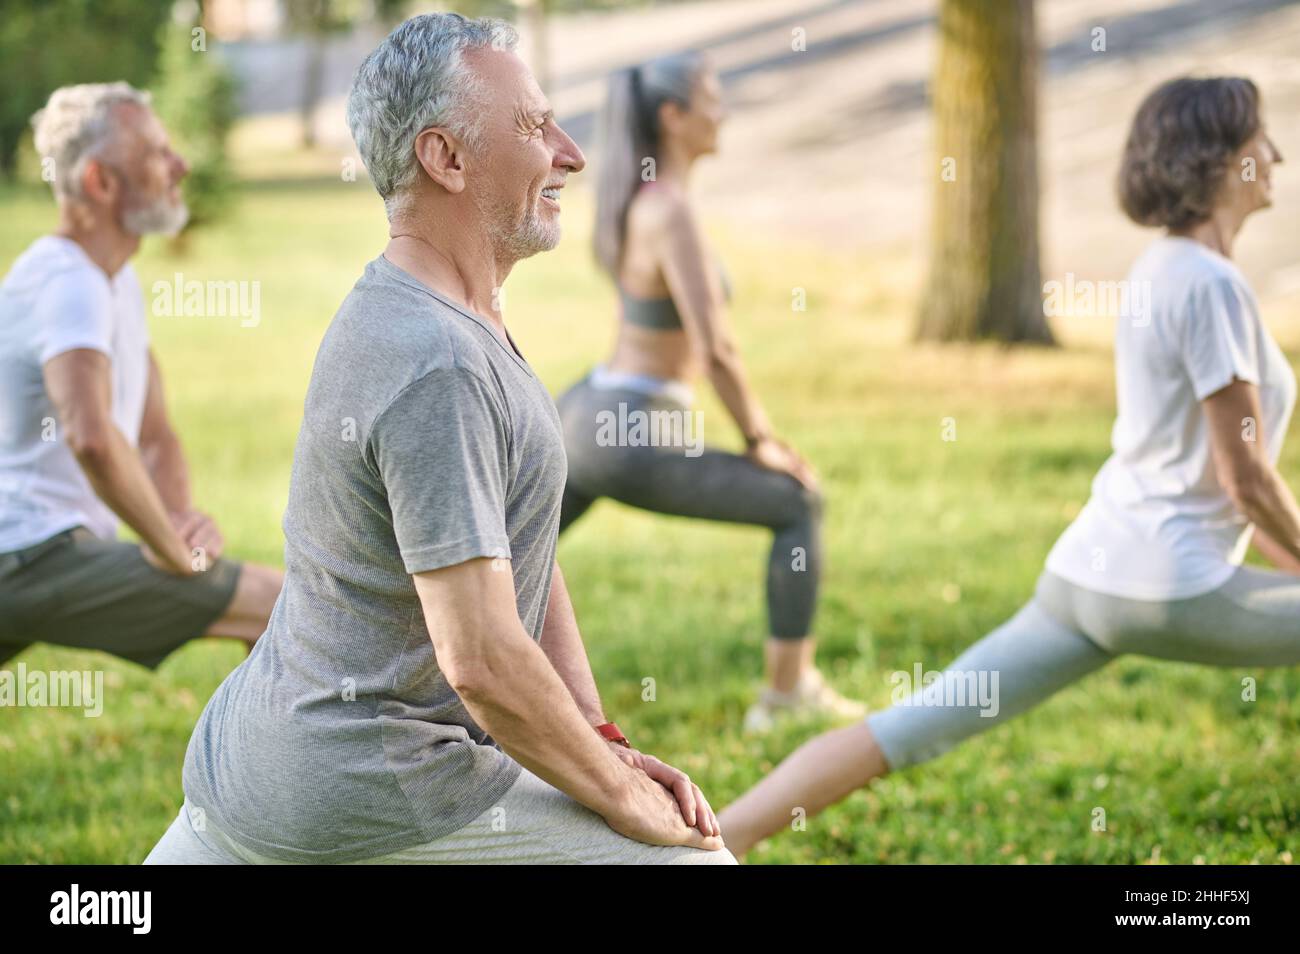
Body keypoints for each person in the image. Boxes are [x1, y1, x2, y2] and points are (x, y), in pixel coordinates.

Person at [145, 13, 733, 865]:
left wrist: (598, 738)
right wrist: (622, 796)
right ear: (445, 158)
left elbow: (517, 542)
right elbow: (483, 658)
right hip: (361, 788)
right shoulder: (439, 363)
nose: (569, 152)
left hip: (256, 767)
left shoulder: (429, 307)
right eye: (534, 126)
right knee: (691, 862)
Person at [718, 76, 1298, 857]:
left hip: (1086, 579)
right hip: (1169, 586)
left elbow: (1206, 466)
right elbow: (1247, 477)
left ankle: (711, 843)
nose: (1277, 153)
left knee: (907, 729)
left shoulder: (1160, 268)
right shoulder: (1217, 286)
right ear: (1226, 161)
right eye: (1261, 139)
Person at [555, 51, 865, 733]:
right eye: (711, 98)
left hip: (585, 409)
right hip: (633, 429)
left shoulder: (636, 200)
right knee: (797, 502)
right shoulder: (671, 213)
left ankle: (409, 663)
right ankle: (787, 696)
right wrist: (761, 438)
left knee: (510, 545)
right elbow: (718, 348)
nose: (722, 111)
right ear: (673, 116)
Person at [0, 83, 282, 671]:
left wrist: (179, 519)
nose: (179, 165)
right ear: (102, 182)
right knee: (281, 602)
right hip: (26, 556)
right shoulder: (68, 283)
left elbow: (153, 433)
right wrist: (174, 553)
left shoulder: (114, 279)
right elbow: (92, 436)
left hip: (43, 552)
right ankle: (271, 762)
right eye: (156, 152)